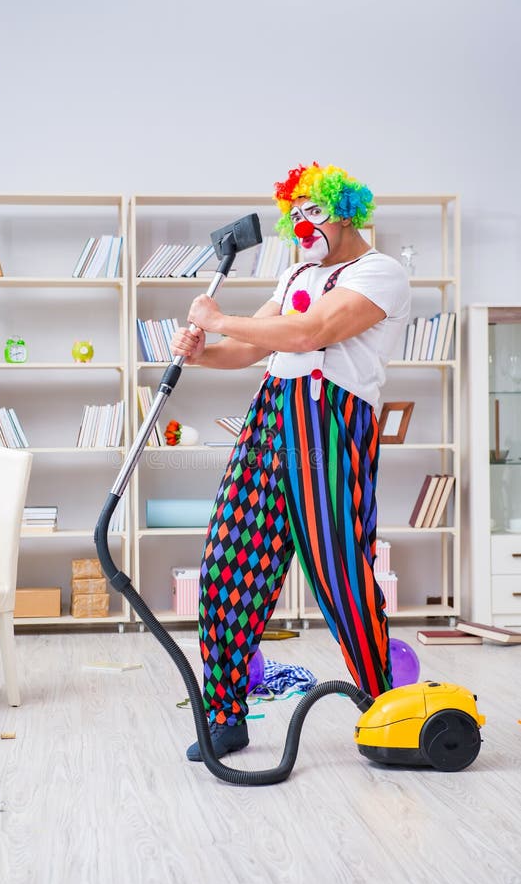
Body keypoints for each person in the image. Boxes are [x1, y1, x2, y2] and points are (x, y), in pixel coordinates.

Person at [170, 163, 411, 761]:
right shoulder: (297, 270)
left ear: (348, 211)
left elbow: (310, 333)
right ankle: (225, 715)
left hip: (328, 425)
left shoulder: (379, 272)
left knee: (341, 575)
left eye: (315, 211)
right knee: (228, 563)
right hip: (270, 419)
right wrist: (203, 353)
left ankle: (386, 714)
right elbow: (257, 345)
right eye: (296, 214)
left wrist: (218, 318)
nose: (304, 224)